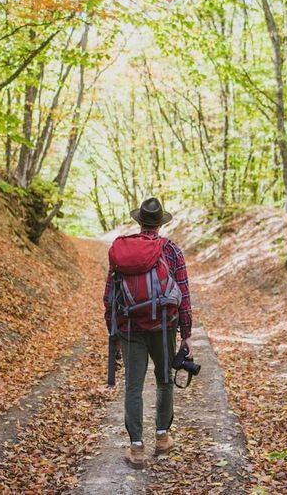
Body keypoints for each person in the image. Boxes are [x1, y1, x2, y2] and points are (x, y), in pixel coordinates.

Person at [104, 197, 193, 467]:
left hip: (130, 327)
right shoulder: (172, 251)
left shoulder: (121, 250)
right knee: (164, 380)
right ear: (159, 224)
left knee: (134, 385)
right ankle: (163, 438)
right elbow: (184, 294)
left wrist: (113, 332)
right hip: (164, 327)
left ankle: (137, 447)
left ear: (139, 221)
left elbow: (110, 296)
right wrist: (186, 333)